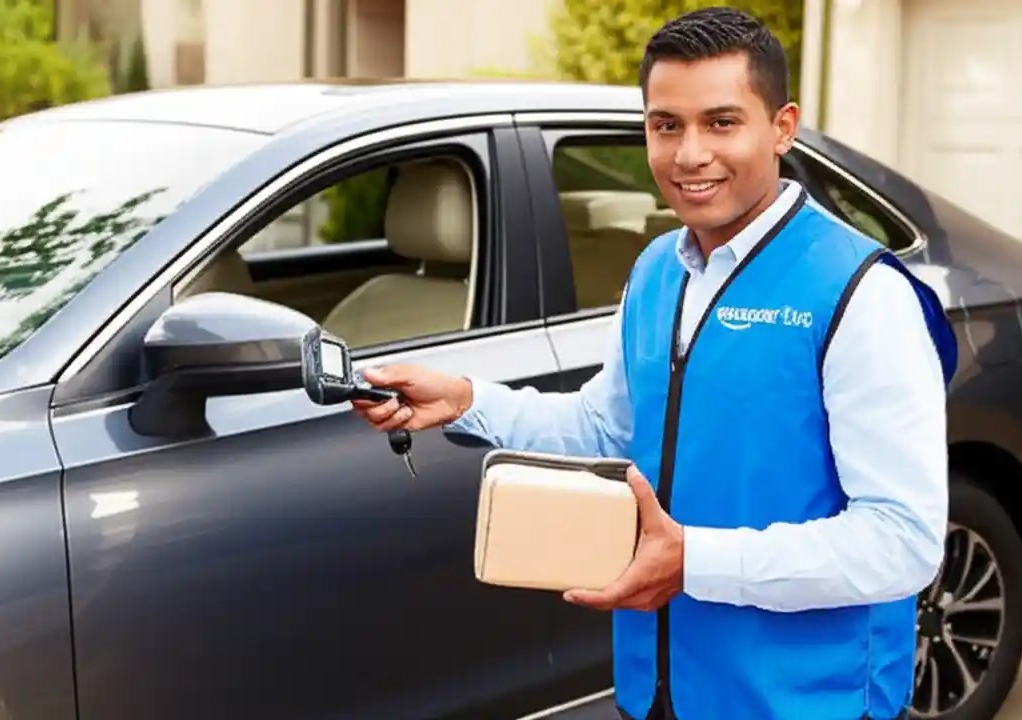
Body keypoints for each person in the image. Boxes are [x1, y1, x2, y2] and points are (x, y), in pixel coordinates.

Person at [352, 7, 958, 720]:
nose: (689, 154)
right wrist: (465, 399)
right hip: (659, 688)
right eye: (666, 125)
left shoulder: (861, 293)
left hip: (799, 701)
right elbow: (609, 428)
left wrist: (693, 562)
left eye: (722, 122)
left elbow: (902, 540)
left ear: (783, 127)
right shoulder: (656, 270)